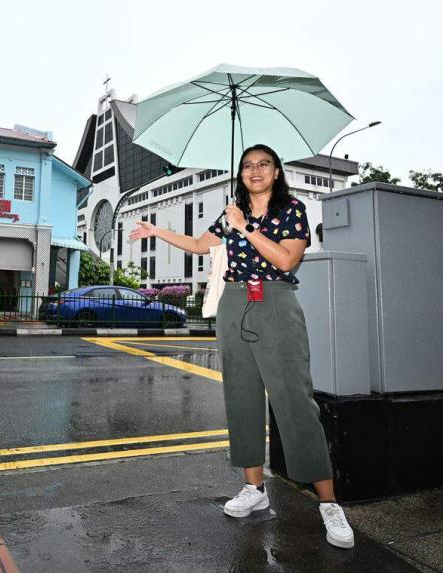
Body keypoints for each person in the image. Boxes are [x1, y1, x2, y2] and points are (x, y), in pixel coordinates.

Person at [129, 144, 355, 549]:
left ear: (276, 171)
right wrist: (157, 231)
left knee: (294, 400)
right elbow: (201, 245)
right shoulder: (231, 210)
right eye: (248, 165)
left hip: (275, 301)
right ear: (241, 173)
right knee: (241, 397)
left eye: (263, 164)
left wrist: (247, 228)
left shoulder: (292, 210)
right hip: (235, 302)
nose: (255, 170)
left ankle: (329, 502)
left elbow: (287, 260)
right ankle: (254, 488)